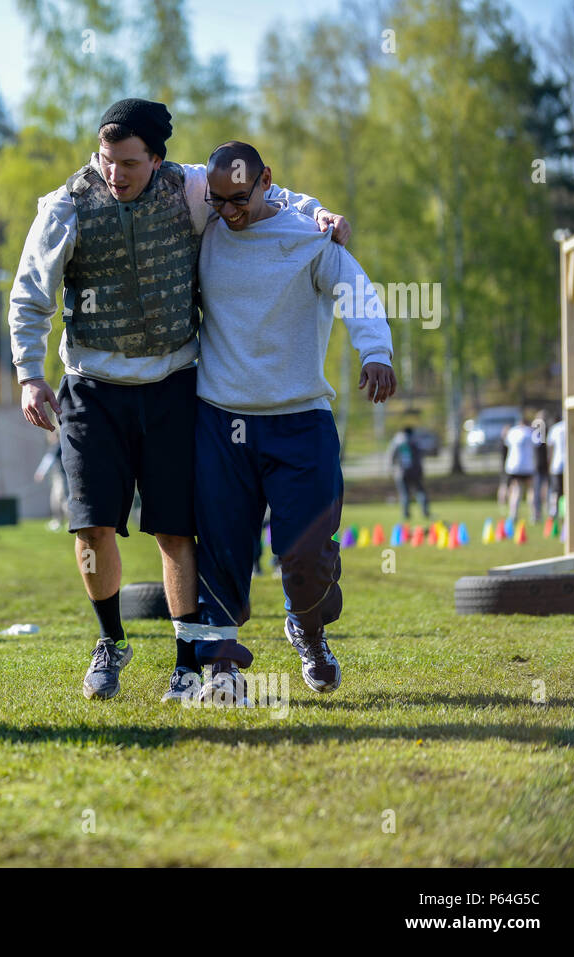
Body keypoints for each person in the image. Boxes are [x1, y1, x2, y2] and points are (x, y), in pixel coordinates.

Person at [8, 98, 349, 701]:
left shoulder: (190, 189)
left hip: (172, 385)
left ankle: (188, 665)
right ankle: (111, 642)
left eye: (130, 164)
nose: (115, 174)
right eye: (107, 160)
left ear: (159, 160)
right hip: (92, 384)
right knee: (91, 528)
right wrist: (29, 374)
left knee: (175, 532)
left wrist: (318, 211)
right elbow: (30, 291)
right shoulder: (67, 205)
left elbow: (260, 192)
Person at [186, 140, 395, 701]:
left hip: (300, 418)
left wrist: (376, 352)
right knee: (222, 548)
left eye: (240, 199)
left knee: (307, 555)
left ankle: (307, 628)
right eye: (218, 201)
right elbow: (148, 171)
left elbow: (359, 293)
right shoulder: (204, 229)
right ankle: (221, 666)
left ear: (265, 182)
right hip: (222, 418)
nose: (230, 212)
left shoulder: (309, 237)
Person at [388, 425, 430, 520]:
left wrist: (392, 469)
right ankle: (425, 512)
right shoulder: (415, 441)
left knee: (404, 494)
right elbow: (422, 454)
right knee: (420, 492)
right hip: (415, 472)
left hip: (401, 472)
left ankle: (406, 514)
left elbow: (391, 456)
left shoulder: (397, 441)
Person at [502, 417, 536, 524]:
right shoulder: (530, 432)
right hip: (527, 466)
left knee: (516, 490)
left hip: (513, 467)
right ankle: (534, 515)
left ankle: (513, 515)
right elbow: (539, 443)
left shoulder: (512, 432)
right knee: (531, 490)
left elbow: (505, 442)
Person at [33, 432, 67, 531]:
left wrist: (41, 473)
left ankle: (70, 521)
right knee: (56, 499)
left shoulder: (57, 446)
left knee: (62, 499)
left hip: (61, 477)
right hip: (57, 477)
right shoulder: (58, 446)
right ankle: (58, 521)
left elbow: (48, 460)